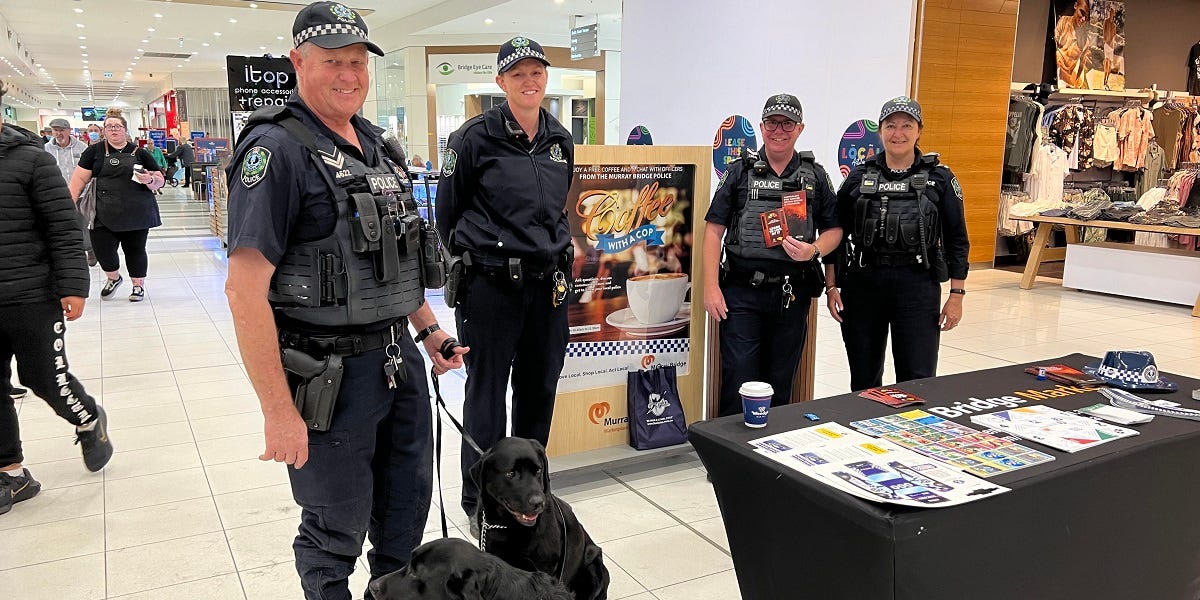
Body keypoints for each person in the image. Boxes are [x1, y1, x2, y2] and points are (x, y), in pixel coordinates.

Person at [224, 3, 466, 598]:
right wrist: (278, 412)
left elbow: (394, 259)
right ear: (298, 62)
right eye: (333, 62)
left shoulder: (379, 148)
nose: (348, 75)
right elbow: (243, 290)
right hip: (326, 377)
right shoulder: (275, 151)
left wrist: (430, 329)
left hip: (398, 363)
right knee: (335, 530)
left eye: (358, 62)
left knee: (405, 517)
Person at [436, 36, 573, 528]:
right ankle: (481, 503)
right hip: (491, 287)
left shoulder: (560, 139)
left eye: (536, 72)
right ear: (500, 81)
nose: (528, 81)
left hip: (547, 287)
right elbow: (446, 215)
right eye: (518, 74)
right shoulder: (474, 137)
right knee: (487, 395)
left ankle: (533, 496)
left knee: (539, 390)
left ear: (546, 78)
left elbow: (556, 209)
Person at [0, 80, 113, 516]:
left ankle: (88, 419)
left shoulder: (30, 160)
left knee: (43, 376)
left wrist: (72, 286)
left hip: (29, 293)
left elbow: (63, 227)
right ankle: (12, 473)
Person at [702, 93, 842, 417]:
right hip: (741, 292)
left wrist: (814, 250)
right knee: (738, 377)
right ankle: (730, 458)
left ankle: (772, 457)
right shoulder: (739, 172)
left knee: (780, 381)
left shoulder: (815, 176)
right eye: (772, 123)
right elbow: (713, 230)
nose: (779, 130)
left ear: (800, 128)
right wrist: (711, 286)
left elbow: (835, 230)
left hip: (791, 294)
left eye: (787, 124)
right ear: (762, 128)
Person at [824, 97, 969, 391]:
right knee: (864, 378)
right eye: (891, 126)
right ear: (880, 131)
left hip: (917, 286)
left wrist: (957, 294)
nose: (898, 133)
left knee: (917, 379)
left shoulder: (939, 178)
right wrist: (831, 285)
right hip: (864, 285)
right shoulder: (858, 177)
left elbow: (957, 238)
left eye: (906, 126)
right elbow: (835, 234)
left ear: (919, 131)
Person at [68, 108, 165, 302]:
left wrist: (149, 179)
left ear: (125, 130)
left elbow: (160, 180)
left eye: (117, 126)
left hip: (137, 211)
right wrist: (68, 205)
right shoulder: (93, 152)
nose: (113, 130)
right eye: (109, 126)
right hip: (102, 211)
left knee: (135, 250)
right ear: (104, 130)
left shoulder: (140, 153)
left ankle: (138, 286)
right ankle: (113, 278)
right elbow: (79, 179)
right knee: (103, 250)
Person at [44, 118, 97, 267]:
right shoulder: (47, 149)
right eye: (55, 130)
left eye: (61, 130)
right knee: (62, 226)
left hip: (81, 194)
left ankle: (90, 249)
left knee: (83, 224)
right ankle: (71, 254)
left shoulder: (81, 147)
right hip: (59, 195)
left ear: (68, 131)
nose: (58, 133)